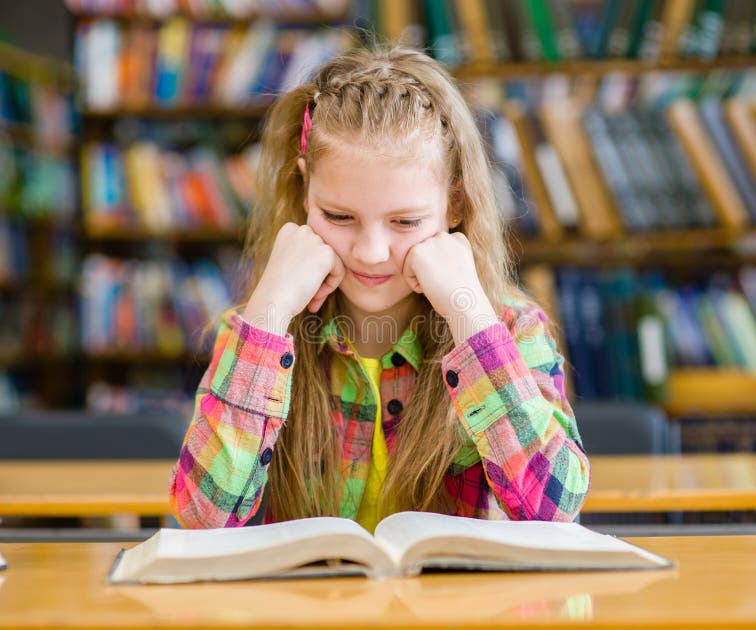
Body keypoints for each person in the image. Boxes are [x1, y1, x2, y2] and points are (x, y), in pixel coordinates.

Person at [169, 44, 590, 532]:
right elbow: (202, 519)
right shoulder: (254, 333)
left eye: (406, 221)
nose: (370, 251)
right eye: (338, 216)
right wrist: (268, 312)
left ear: (455, 203)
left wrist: (471, 317)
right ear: (305, 192)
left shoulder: (512, 329)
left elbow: (554, 511)